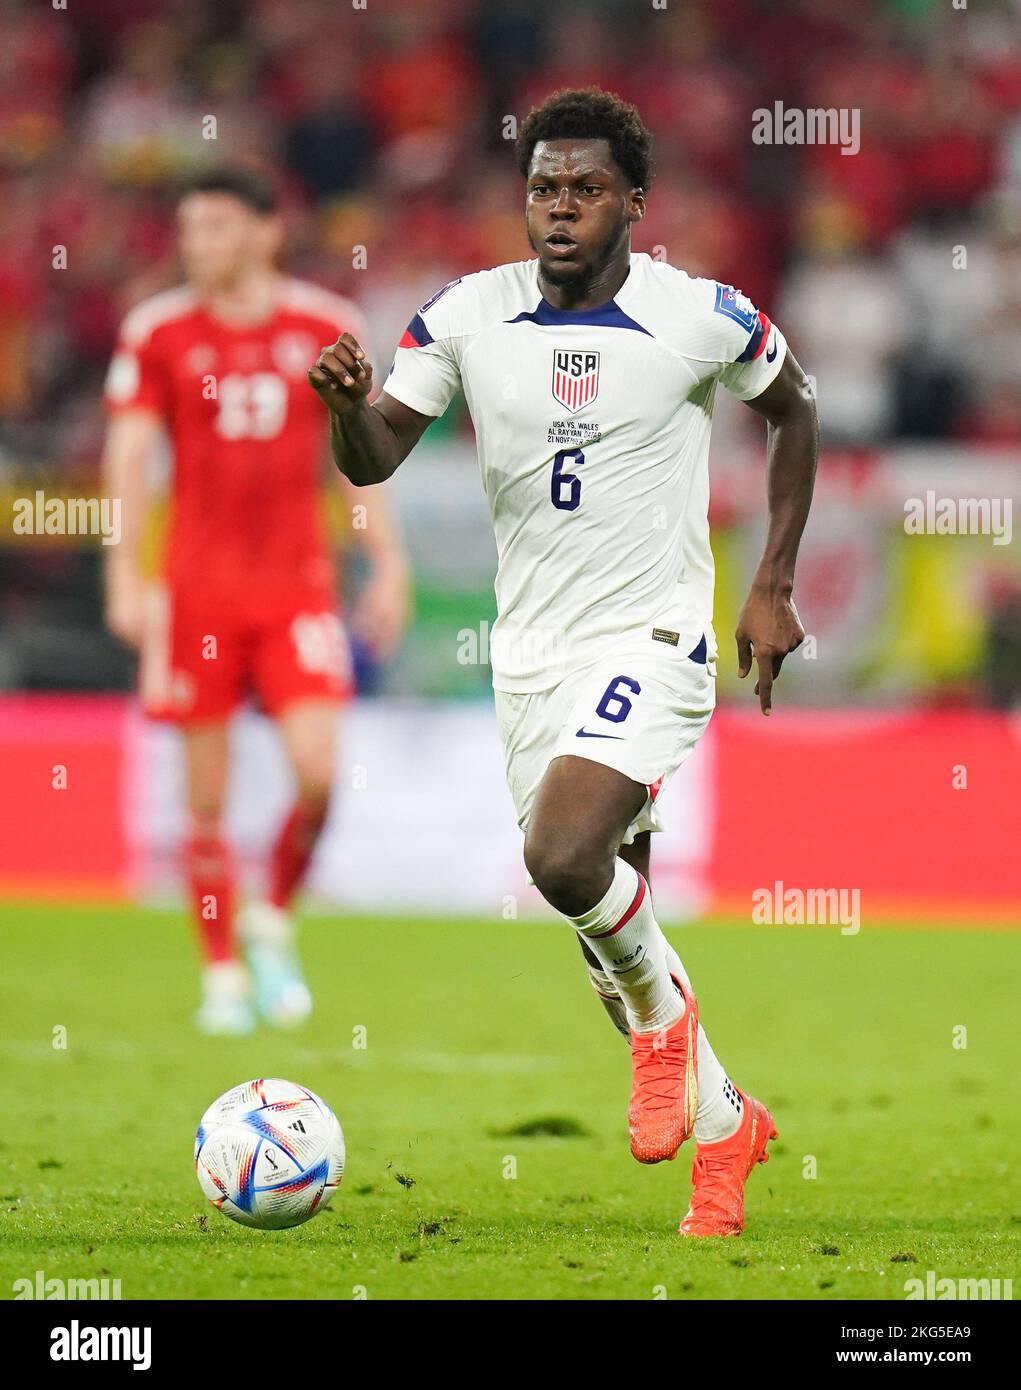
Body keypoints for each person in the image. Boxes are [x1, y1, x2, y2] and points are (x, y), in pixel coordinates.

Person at [309, 89, 818, 1237]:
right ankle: (726, 1119)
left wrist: (773, 582)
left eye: (587, 189)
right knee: (605, 914)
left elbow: (797, 408)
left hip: (652, 635)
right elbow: (378, 454)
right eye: (544, 187)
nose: (560, 208)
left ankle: (659, 1039)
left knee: (560, 852)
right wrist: (345, 411)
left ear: (634, 203)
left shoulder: (698, 314)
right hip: (528, 655)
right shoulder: (462, 316)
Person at [102, 167, 410, 1035]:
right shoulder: (157, 331)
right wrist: (128, 577)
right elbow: (128, 457)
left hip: (296, 590)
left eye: (218, 228)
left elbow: (359, 452)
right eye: (190, 229)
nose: (199, 246)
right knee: (204, 799)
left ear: (267, 232)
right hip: (196, 594)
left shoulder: (326, 325)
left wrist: (384, 561)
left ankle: (271, 917)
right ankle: (222, 978)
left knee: (318, 777)